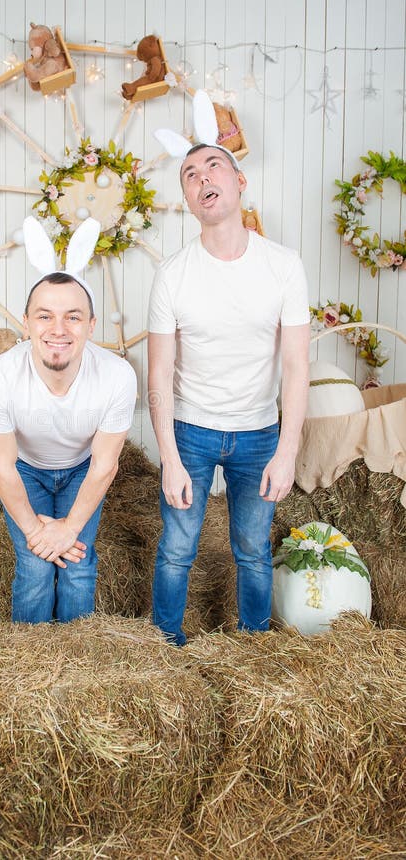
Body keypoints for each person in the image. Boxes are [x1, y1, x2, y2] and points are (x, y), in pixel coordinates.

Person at [148, 141, 310, 645]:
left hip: (258, 433)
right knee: (177, 549)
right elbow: (159, 375)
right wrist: (169, 459)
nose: (203, 177)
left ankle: (252, 646)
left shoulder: (283, 265)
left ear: (240, 182)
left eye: (213, 166)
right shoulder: (172, 274)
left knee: (253, 550)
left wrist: (287, 451)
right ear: (188, 199)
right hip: (190, 431)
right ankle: (164, 646)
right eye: (190, 174)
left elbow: (296, 365)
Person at [0, 266, 137, 625]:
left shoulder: (117, 375)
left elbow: (105, 465)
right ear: (26, 323)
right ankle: (30, 654)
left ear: (91, 325)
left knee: (77, 560)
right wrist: (36, 532)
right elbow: (1, 467)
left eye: (72, 317)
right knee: (36, 563)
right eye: (45, 316)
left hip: (83, 469)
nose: (58, 329)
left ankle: (74, 652)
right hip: (24, 469)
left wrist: (69, 528)